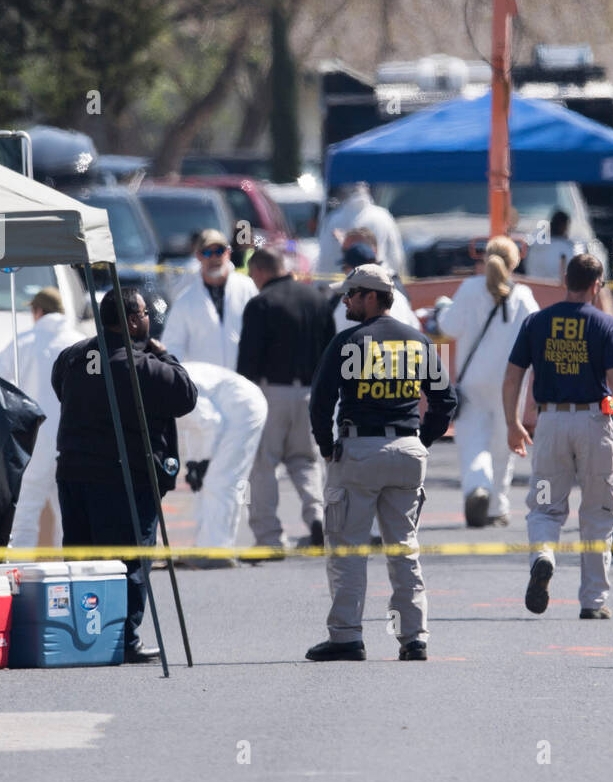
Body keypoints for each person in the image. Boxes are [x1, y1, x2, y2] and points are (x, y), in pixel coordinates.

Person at [306, 264, 457, 661]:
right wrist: (420, 440)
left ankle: (346, 637)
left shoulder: (348, 342)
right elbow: (447, 401)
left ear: (372, 297)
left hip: (358, 452)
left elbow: (320, 402)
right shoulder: (419, 342)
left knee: (348, 550)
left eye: (352, 293)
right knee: (404, 549)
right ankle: (414, 638)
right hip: (406, 453)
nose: (346, 300)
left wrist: (326, 446)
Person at [53, 288, 198, 662]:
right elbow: (185, 394)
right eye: (145, 313)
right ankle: (123, 638)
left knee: (82, 557)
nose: (149, 318)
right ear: (133, 320)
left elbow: (61, 390)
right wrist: (165, 353)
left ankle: (81, 636)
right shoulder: (139, 364)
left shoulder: (72, 356)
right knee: (128, 560)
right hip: (122, 479)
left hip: (74, 473)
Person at [503, 253, 613, 619]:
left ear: (565, 280)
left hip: (551, 426)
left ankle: (543, 556)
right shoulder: (607, 325)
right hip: (594, 425)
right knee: (599, 510)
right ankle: (593, 601)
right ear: (597, 285)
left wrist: (513, 423)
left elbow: (513, 377)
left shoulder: (536, 323)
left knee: (545, 504)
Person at [437, 236, 539, 527]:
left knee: (472, 441)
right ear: (515, 261)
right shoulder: (523, 295)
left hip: (472, 381)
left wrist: (442, 309)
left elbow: (448, 327)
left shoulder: (469, 289)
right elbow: (536, 335)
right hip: (511, 382)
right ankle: (497, 506)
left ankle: (477, 487)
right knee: (503, 444)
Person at [238, 247, 335, 553]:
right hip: (309, 392)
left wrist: (242, 396)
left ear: (261, 271)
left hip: (271, 393)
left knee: (263, 464)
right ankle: (317, 516)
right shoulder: (318, 301)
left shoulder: (260, 304)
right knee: (306, 460)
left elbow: (248, 360)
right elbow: (329, 351)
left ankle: (269, 537)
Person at [0, 287, 85, 548]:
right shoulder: (80, 342)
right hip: (73, 441)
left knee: (25, 515)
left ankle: (20, 576)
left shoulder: (25, 342)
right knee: (71, 518)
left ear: (38, 312)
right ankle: (69, 575)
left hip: (35, 441)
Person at [174, 360, 268, 568]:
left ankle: (217, 550)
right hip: (228, 410)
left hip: (243, 407)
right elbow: (194, 426)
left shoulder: (169, 387)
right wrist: (194, 462)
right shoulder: (160, 380)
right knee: (207, 483)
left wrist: (203, 461)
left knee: (221, 480)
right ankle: (204, 546)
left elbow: (210, 422)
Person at [161, 228, 258, 368]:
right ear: (198, 256)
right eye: (207, 252)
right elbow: (173, 347)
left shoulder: (247, 288)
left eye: (219, 251)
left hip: (243, 382)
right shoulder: (186, 300)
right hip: (205, 385)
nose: (214, 258)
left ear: (228, 253)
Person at [331, 233, 419, 331]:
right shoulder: (397, 294)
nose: (344, 273)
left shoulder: (350, 300)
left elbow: (336, 331)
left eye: (345, 268)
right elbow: (415, 327)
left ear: (353, 269)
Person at [317, 182, 406, 278]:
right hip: (378, 281)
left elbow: (324, 260)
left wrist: (322, 286)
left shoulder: (333, 219)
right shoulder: (383, 217)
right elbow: (396, 258)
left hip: (340, 285)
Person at [523, 209, 581, 281]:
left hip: (531, 286)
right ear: (563, 226)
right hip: (556, 290)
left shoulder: (534, 244)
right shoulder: (567, 248)